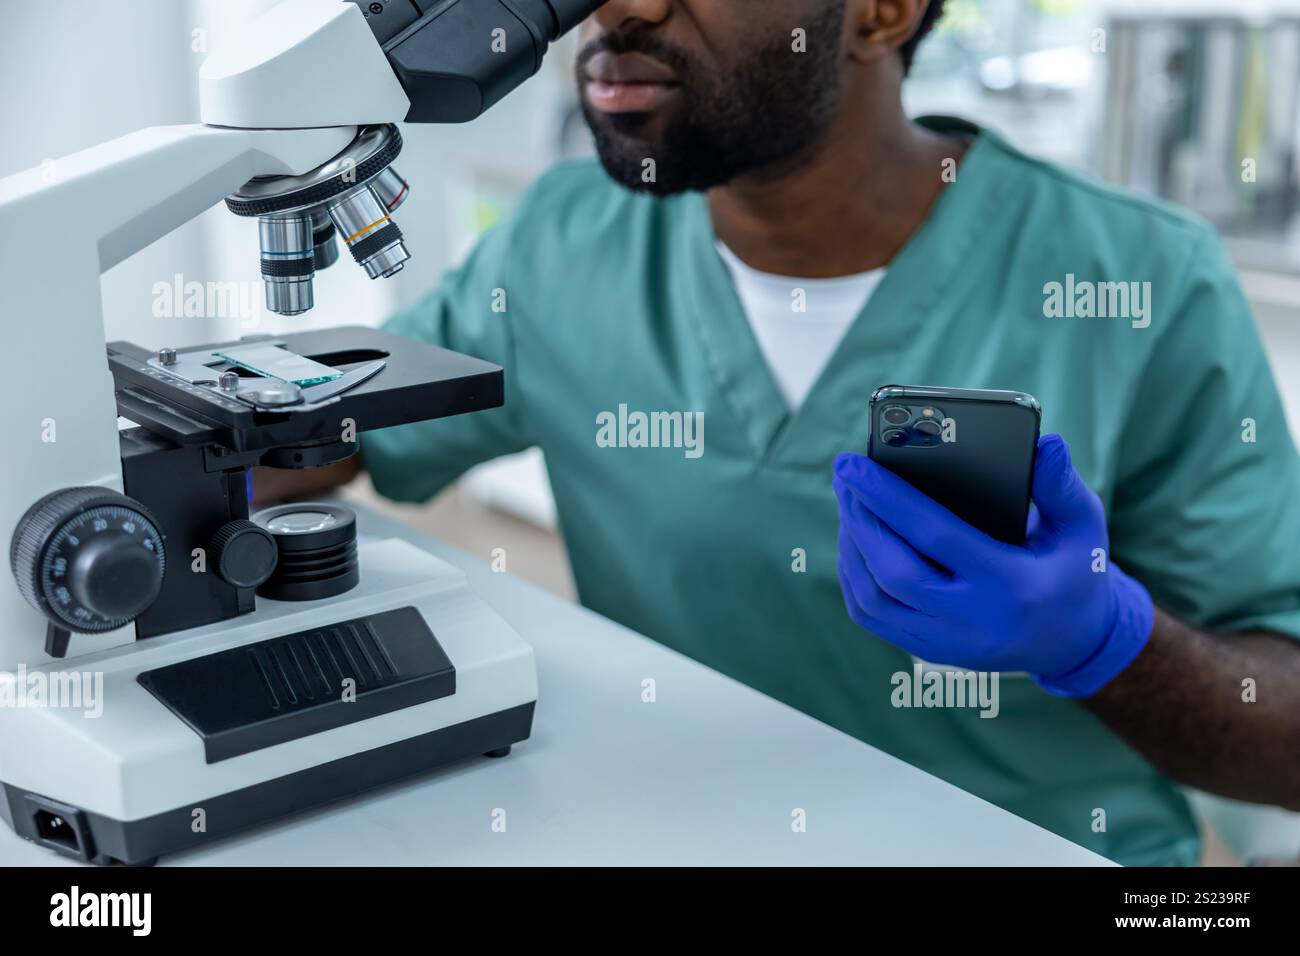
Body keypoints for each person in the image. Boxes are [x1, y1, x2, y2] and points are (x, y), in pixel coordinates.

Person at [260, 0, 1300, 865]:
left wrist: (1104, 642)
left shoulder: (1138, 279)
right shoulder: (558, 243)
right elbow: (305, 436)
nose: (618, 12)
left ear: (881, 14)